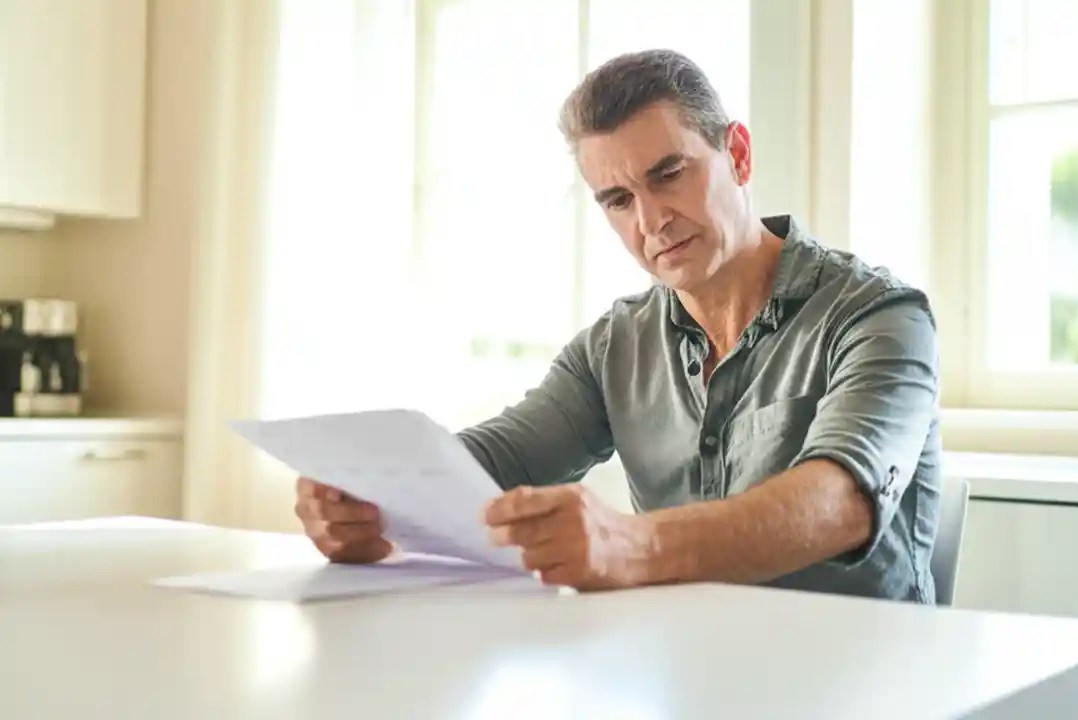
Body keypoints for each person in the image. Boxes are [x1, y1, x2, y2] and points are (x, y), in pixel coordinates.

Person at [294, 49, 942, 602]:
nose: (651, 219)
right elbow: (504, 457)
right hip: (690, 677)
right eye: (618, 199)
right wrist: (380, 497)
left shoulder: (879, 314)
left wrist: (628, 545)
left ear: (737, 155)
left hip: (869, 682)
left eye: (669, 175)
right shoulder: (614, 347)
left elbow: (841, 502)